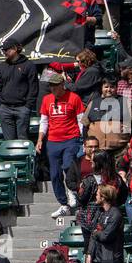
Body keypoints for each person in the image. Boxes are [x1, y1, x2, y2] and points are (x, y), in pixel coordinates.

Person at [37, 71, 86, 218]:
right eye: (51, 87)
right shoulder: (47, 99)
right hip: (52, 141)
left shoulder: (74, 98)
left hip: (71, 138)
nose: (53, 90)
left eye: (55, 87)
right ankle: (63, 203)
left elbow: (80, 120)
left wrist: (82, 138)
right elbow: (44, 121)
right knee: (54, 174)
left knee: (67, 166)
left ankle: (72, 192)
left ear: (62, 85)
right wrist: (40, 139)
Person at [0, 41, 38, 140]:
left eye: (7, 50)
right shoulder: (2, 66)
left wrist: (28, 106)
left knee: (23, 140)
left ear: (15, 49)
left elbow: (33, 87)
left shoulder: (28, 65)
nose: (5, 52)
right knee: (9, 141)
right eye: (3, 50)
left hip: (22, 108)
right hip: (5, 108)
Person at [86, 185, 124, 263]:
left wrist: (97, 233)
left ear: (103, 197)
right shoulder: (99, 213)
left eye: (97, 194)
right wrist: (89, 253)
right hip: (97, 262)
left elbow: (106, 236)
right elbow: (93, 235)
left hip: (112, 261)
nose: (95, 196)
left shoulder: (116, 214)